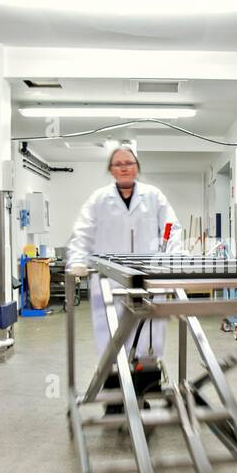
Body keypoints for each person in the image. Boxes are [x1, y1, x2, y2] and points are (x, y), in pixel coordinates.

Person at [66, 146, 184, 394]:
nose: (123, 167)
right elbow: (82, 233)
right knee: (112, 342)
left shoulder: (154, 197)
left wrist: (174, 261)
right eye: (118, 163)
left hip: (148, 281)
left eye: (128, 162)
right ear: (111, 169)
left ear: (137, 167)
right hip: (109, 284)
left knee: (148, 344)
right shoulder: (98, 199)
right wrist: (77, 260)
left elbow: (171, 229)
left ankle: (145, 396)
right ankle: (115, 403)